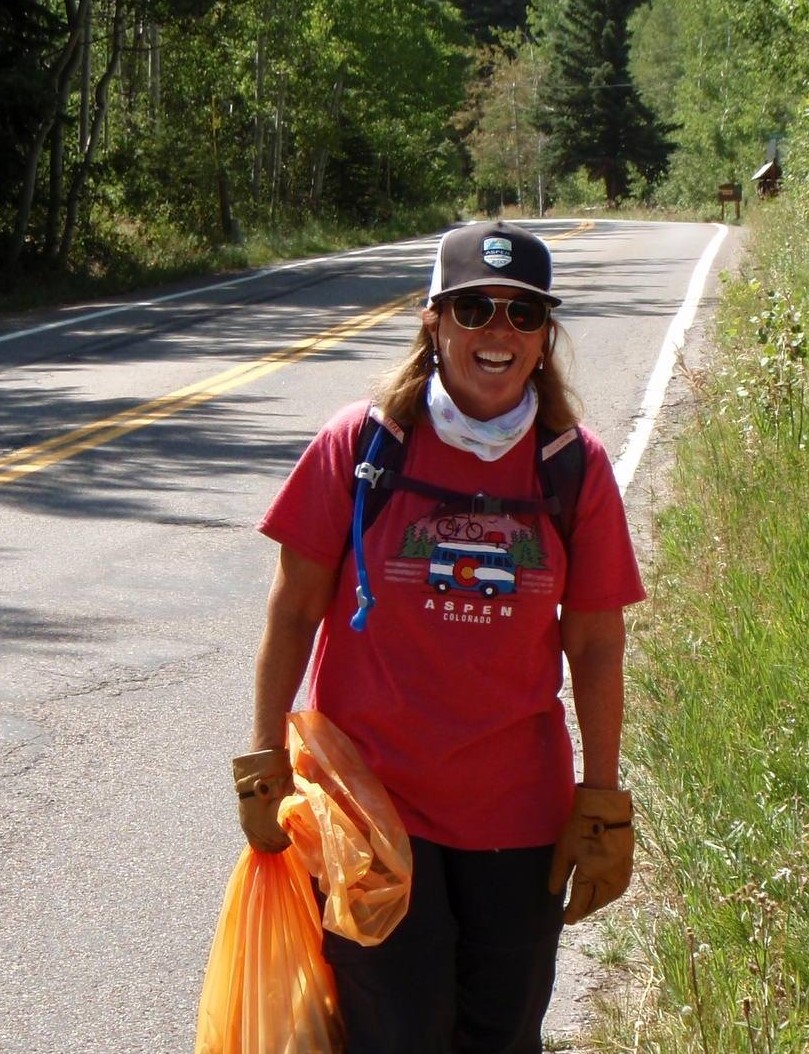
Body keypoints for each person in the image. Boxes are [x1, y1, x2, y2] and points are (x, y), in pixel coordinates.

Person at [230, 220, 646, 1054]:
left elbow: (596, 644)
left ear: (545, 336)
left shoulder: (572, 465)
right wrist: (264, 758)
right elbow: (292, 609)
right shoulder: (361, 446)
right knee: (396, 1033)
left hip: (519, 811)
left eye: (523, 315)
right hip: (373, 807)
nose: (499, 331)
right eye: (474, 308)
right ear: (434, 319)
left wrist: (600, 798)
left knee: (501, 1033)